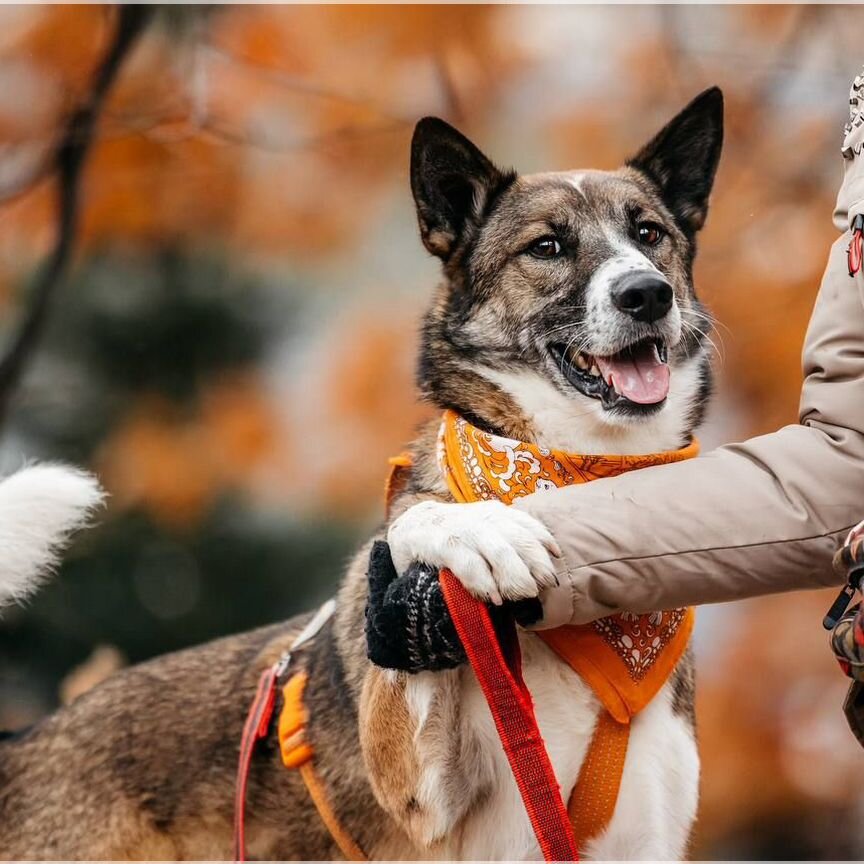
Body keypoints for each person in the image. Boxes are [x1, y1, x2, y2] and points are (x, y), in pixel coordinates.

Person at [380, 67, 864, 633]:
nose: (642, 280)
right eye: (548, 247)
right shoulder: (434, 516)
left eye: (649, 235)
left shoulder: (683, 561)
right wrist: (425, 529)